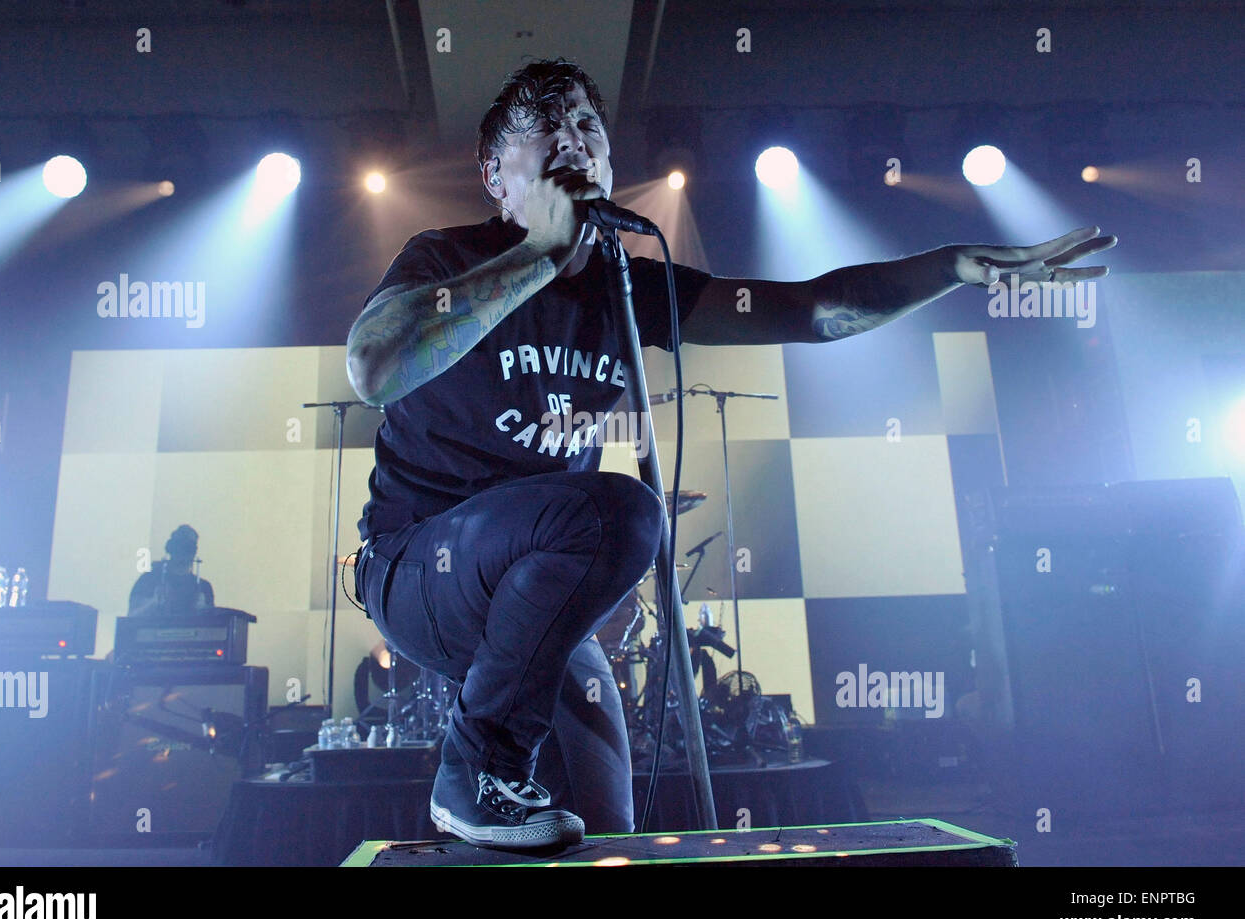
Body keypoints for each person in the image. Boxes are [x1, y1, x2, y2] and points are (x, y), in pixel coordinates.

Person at [345, 58, 1114, 850]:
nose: (573, 141)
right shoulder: (446, 259)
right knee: (617, 512)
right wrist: (536, 252)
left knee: (605, 835)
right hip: (416, 569)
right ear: (494, 179)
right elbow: (374, 368)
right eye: (544, 130)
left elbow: (815, 311)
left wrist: (949, 267)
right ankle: (473, 770)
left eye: (586, 126)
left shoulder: (628, 289)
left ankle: (498, 782)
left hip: (532, 597)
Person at [128, 524, 214, 616]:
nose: (183, 554)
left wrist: (204, 609)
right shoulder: (148, 580)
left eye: (188, 549)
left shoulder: (204, 587)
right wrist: (153, 602)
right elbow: (131, 616)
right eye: (179, 548)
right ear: (171, 549)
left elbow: (214, 625)